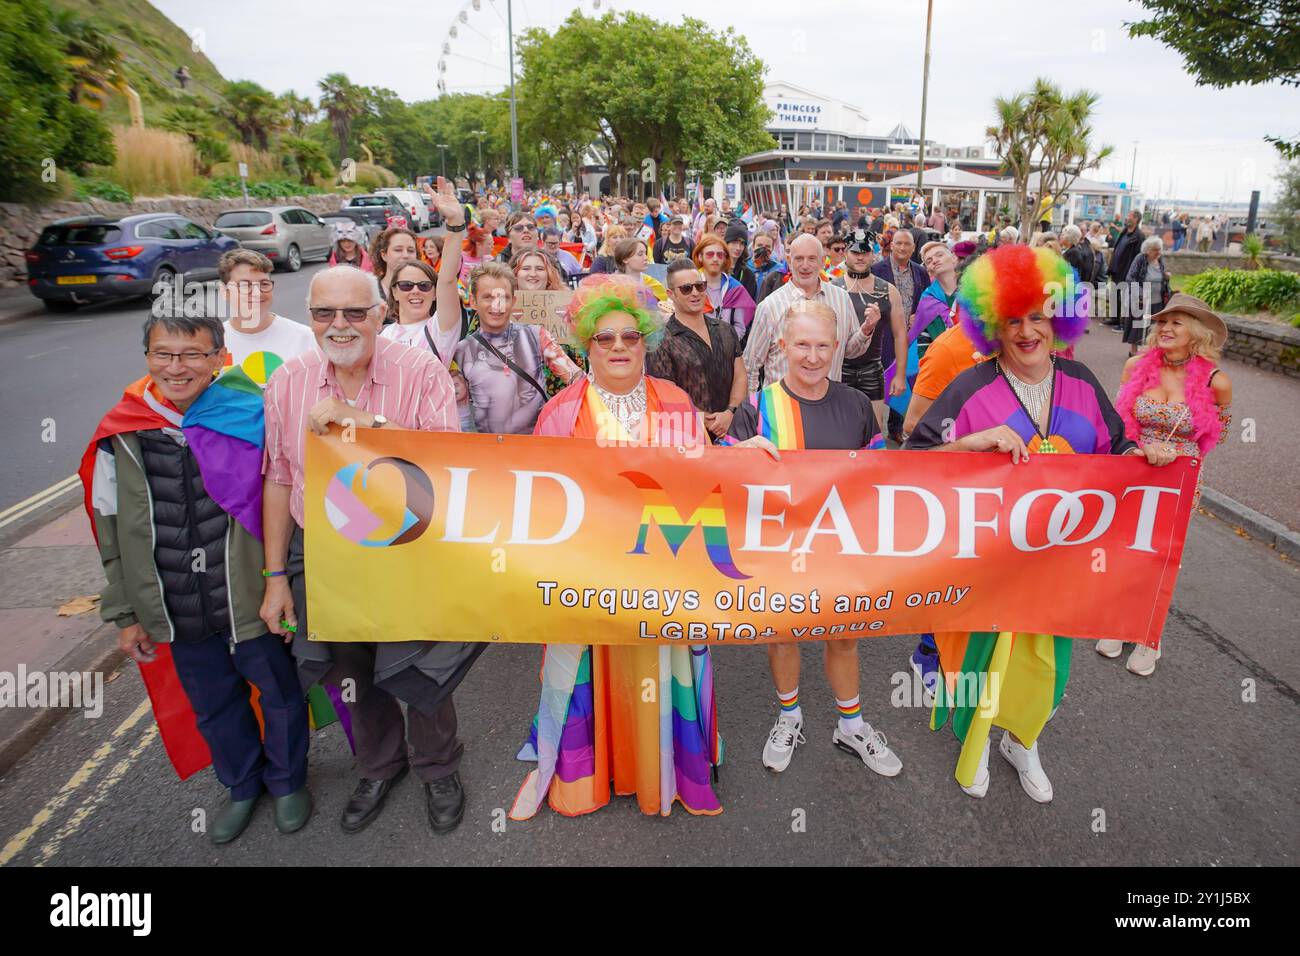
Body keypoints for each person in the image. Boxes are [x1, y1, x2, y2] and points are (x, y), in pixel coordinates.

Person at [906, 244, 1175, 802]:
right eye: (1013, 320)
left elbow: (1116, 451)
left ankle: (1022, 741)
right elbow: (915, 462)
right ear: (992, 328)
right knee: (982, 656)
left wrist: (1145, 456)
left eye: (1038, 316)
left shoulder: (1081, 381)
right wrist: (973, 441)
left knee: (1046, 663)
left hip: (1060, 562)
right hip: (987, 561)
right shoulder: (971, 387)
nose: (1027, 331)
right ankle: (976, 740)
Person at [261, 264, 480, 835]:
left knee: (422, 666)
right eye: (323, 313)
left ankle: (437, 768)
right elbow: (280, 479)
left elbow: (443, 464)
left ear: (380, 314)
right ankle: (379, 766)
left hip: (409, 545)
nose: (339, 324)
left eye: (355, 311)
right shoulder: (287, 382)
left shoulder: (421, 371)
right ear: (308, 318)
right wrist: (275, 576)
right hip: (328, 555)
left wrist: (365, 424)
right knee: (349, 669)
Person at [84, 312, 310, 844]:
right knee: (213, 704)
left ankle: (288, 781)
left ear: (218, 360)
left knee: (279, 694)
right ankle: (241, 785)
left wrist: (285, 582)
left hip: (246, 594)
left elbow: (287, 502)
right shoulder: (122, 433)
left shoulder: (251, 415)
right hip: (174, 603)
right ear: (147, 358)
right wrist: (125, 612)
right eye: (163, 353)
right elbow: (110, 530)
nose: (176, 366)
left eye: (191, 354)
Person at [510, 274, 723, 821]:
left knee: (660, 667)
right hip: (592, 582)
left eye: (630, 336)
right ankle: (595, 771)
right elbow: (540, 505)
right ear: (588, 345)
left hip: (664, 579)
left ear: (646, 340)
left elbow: (707, 479)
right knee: (593, 666)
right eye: (605, 339)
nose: (620, 348)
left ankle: (661, 768)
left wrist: (753, 453)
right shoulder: (560, 414)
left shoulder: (675, 402)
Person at [723, 299, 897, 777]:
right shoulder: (759, 407)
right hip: (779, 549)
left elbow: (882, 474)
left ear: (837, 347)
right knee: (783, 634)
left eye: (822, 346)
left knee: (844, 639)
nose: (813, 356)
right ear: (782, 345)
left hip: (840, 548)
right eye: (802, 344)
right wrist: (738, 451)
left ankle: (852, 723)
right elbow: (716, 471)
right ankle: (789, 715)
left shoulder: (858, 404)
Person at [1101, 293, 1232, 674]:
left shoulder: (1216, 381)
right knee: (1129, 549)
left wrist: (1179, 451)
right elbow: (1120, 419)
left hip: (1180, 476)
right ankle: (1122, 622)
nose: (1165, 329)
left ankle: (1148, 637)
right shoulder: (1136, 367)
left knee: (1161, 556)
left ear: (1196, 332)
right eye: (1162, 322)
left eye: (1176, 322)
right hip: (1137, 470)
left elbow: (1216, 436)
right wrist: (1138, 448)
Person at [431, 178, 582, 434]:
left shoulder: (538, 336)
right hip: (484, 456)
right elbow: (450, 401)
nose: (497, 306)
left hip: (536, 448)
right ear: (474, 303)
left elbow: (577, 380)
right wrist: (456, 226)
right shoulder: (462, 350)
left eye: (504, 297)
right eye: (488, 297)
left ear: (514, 301)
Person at [743, 234, 873, 392]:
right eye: (799, 259)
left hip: (828, 405)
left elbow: (849, 352)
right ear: (789, 261)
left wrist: (865, 331)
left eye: (812, 259)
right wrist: (754, 410)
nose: (805, 266)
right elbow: (750, 367)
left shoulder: (841, 298)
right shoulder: (770, 306)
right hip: (783, 409)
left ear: (822, 261)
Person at [646, 258, 747, 443]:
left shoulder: (725, 329)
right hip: (687, 438)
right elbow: (666, 395)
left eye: (700, 286)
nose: (695, 293)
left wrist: (730, 412)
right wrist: (709, 422)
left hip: (733, 431)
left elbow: (740, 376)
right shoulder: (660, 340)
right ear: (671, 294)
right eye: (686, 288)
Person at [833, 229, 906, 435]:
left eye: (865, 252)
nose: (860, 257)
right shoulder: (833, 286)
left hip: (872, 368)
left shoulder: (887, 290)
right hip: (839, 367)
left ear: (872, 253)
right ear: (846, 253)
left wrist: (899, 375)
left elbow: (900, 334)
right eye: (855, 252)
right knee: (839, 430)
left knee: (873, 432)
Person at [218, 250, 315, 378]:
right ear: (224, 291)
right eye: (244, 285)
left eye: (264, 284)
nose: (257, 293)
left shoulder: (305, 338)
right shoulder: (213, 344)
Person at [693, 234, 756, 342]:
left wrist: (726, 345)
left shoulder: (734, 288)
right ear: (700, 257)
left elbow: (740, 327)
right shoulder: (691, 285)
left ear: (726, 258)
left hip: (726, 350)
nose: (715, 259)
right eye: (709, 254)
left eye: (720, 255)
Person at [1123, 235, 1171, 355]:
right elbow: (1130, 278)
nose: (1158, 252)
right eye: (1155, 249)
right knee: (1137, 326)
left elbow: (1161, 275)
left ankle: (1149, 352)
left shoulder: (1160, 260)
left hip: (1157, 300)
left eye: (1159, 249)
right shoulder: (1140, 259)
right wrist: (1140, 293)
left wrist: (1166, 276)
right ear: (1148, 250)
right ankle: (1133, 352)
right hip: (1141, 300)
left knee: (1154, 326)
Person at [613, 237, 667, 304]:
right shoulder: (611, 285)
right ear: (625, 259)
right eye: (640, 254)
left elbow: (665, 308)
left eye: (645, 254)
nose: (646, 258)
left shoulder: (653, 285)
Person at [370, 226, 419, 296]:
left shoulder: (426, 288)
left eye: (411, 251)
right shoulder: (370, 291)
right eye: (398, 250)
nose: (406, 255)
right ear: (383, 255)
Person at [724, 220, 758, 301]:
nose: (738, 248)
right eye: (734, 242)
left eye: (742, 243)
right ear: (726, 243)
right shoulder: (716, 270)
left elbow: (750, 305)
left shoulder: (748, 275)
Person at [749, 230, 785, 296]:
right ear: (753, 246)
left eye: (767, 246)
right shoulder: (745, 267)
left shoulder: (779, 270)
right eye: (759, 245)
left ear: (772, 248)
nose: (763, 249)